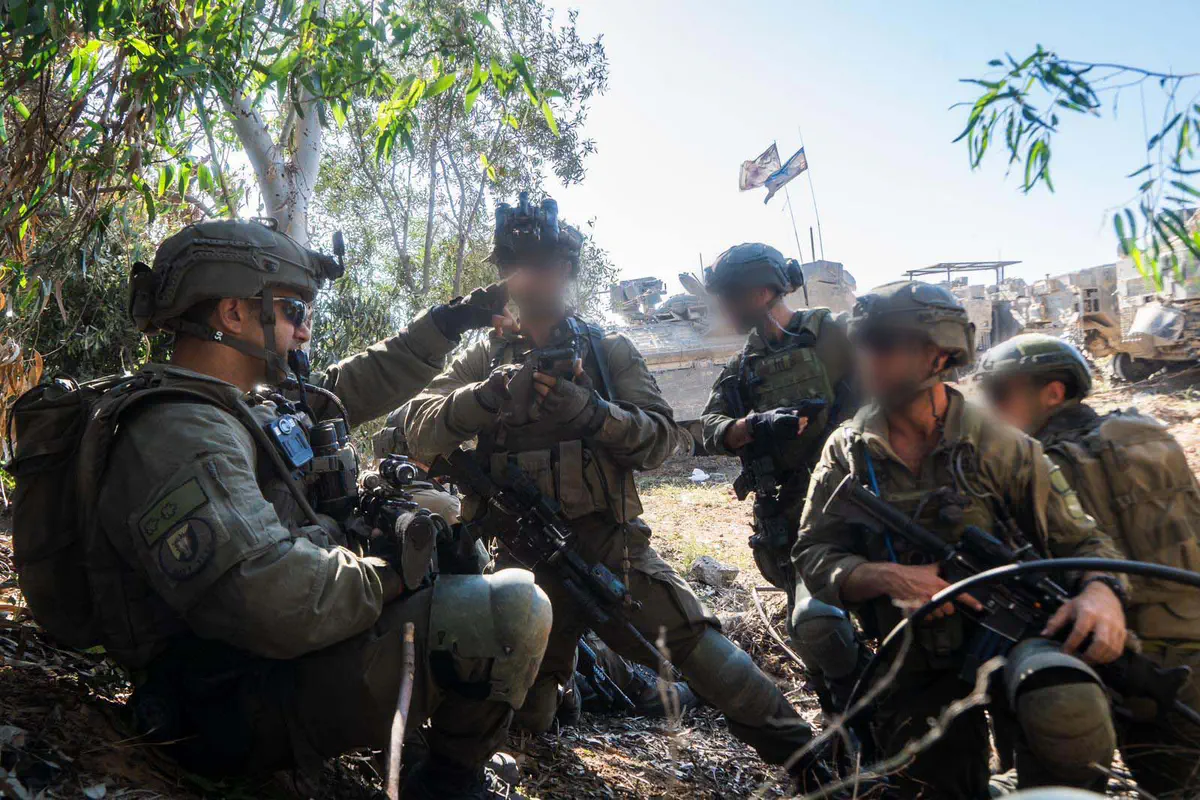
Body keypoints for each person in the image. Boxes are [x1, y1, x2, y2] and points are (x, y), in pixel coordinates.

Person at [84, 219, 551, 799]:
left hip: (264, 666)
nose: (304, 332)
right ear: (232, 313)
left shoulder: (245, 405)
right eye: (292, 312)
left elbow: (359, 382)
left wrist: (453, 319)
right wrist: (389, 574)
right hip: (224, 705)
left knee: (457, 547)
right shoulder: (181, 430)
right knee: (514, 610)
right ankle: (447, 784)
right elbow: (268, 597)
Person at [399, 192, 830, 784]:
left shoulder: (608, 350)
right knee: (526, 716)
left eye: (545, 263)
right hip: (522, 568)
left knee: (704, 650)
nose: (531, 278)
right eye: (517, 264)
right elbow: (415, 429)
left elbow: (661, 441)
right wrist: (489, 395)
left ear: (568, 271)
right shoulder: (483, 356)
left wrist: (592, 413)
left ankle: (816, 763)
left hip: (612, 553)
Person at [791, 281, 1129, 798]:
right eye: (863, 343)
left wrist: (1100, 591)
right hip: (913, 655)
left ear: (939, 353)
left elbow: (1084, 542)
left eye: (885, 344)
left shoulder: (1000, 444)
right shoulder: (847, 451)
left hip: (1017, 636)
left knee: (1064, 709)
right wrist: (889, 576)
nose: (866, 358)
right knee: (933, 782)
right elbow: (813, 553)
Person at [977, 333, 1200, 797]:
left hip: (1127, 662)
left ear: (1053, 393)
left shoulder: (1042, 468)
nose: (989, 407)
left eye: (1000, 393)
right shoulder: (1146, 432)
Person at [699, 243, 856, 598]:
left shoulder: (833, 335)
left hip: (853, 496)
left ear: (761, 292)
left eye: (729, 296)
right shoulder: (745, 365)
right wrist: (752, 426)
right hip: (789, 508)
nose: (724, 308)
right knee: (812, 619)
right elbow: (710, 424)